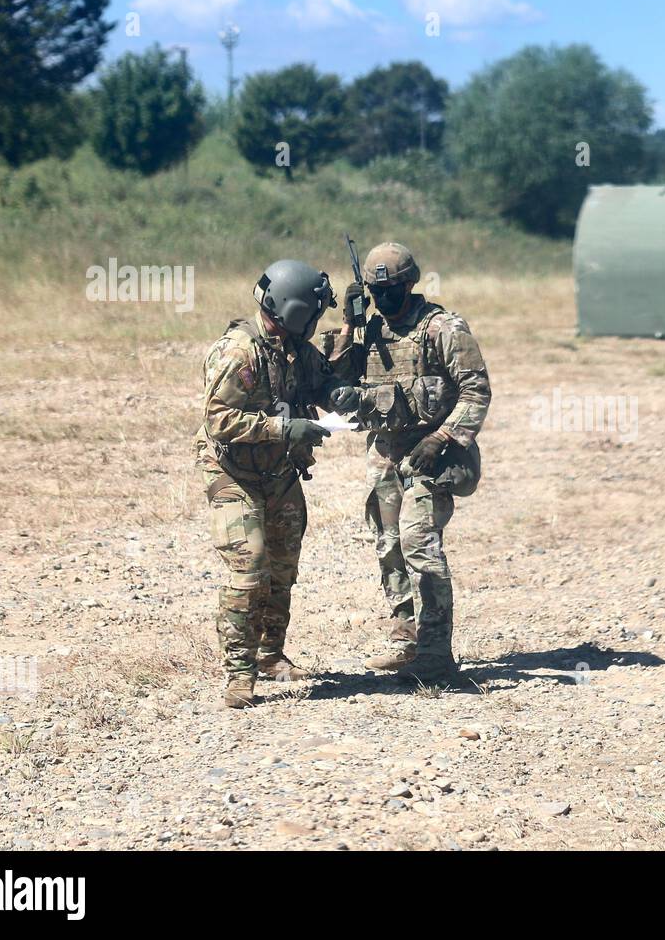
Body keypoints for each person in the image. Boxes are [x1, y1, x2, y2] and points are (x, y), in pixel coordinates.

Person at [325, 242, 491, 684]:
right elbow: (335, 382)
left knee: (419, 541)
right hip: (385, 453)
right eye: (375, 292)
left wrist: (441, 438)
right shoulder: (370, 330)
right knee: (389, 544)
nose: (383, 299)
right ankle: (405, 638)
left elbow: (476, 392)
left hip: (431, 456)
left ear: (410, 284)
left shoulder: (443, 328)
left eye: (391, 290)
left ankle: (436, 654)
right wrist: (348, 325)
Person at [196, 260, 341, 709]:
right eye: (315, 312)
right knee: (250, 565)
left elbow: (321, 382)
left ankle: (270, 655)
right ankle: (239, 674)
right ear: (294, 309)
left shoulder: (293, 348)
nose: (318, 322)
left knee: (282, 566)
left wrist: (340, 393)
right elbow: (218, 420)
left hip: (278, 473)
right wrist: (284, 429)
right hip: (233, 473)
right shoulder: (238, 354)